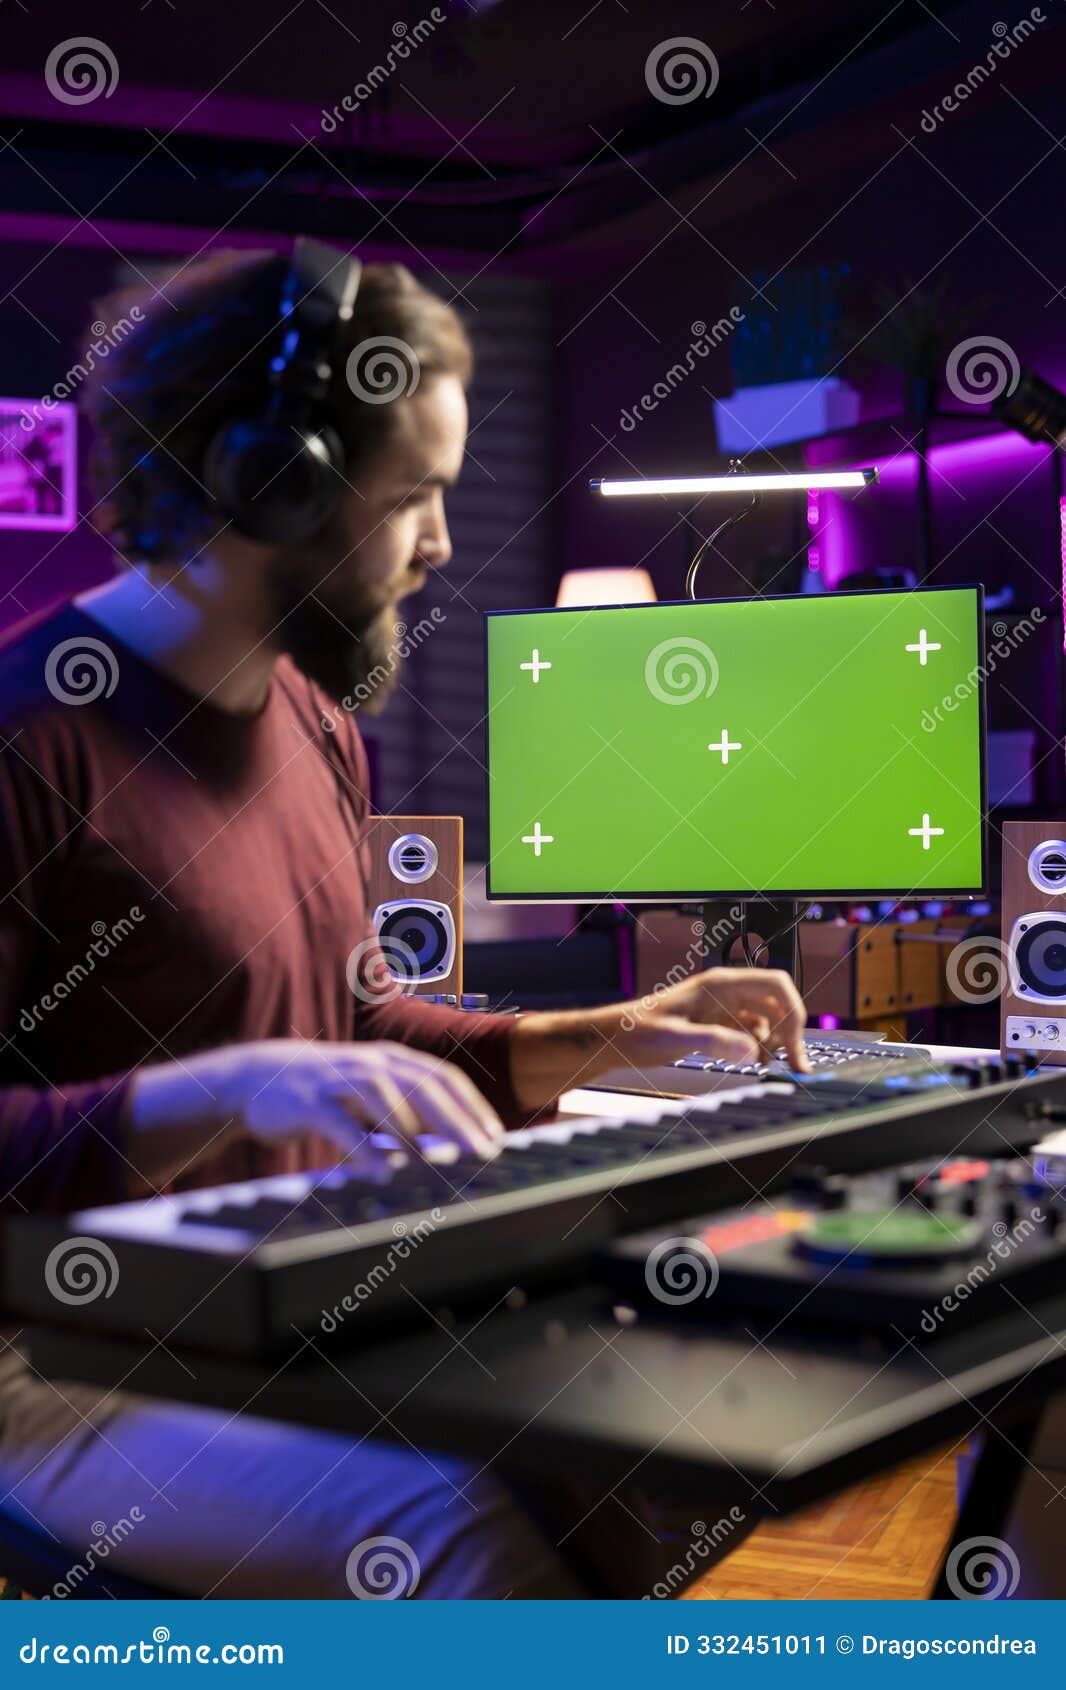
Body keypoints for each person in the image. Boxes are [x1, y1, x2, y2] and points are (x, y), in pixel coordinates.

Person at [0, 244, 808, 1598]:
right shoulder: (33, 743)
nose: (441, 543)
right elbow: (277, 1063)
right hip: (51, 1363)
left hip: (286, 1301)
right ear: (270, 482)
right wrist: (227, 1087)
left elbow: (353, 1024)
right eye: (416, 495)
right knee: (455, 1532)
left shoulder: (315, 724)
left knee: (639, 1446)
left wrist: (612, 1033)